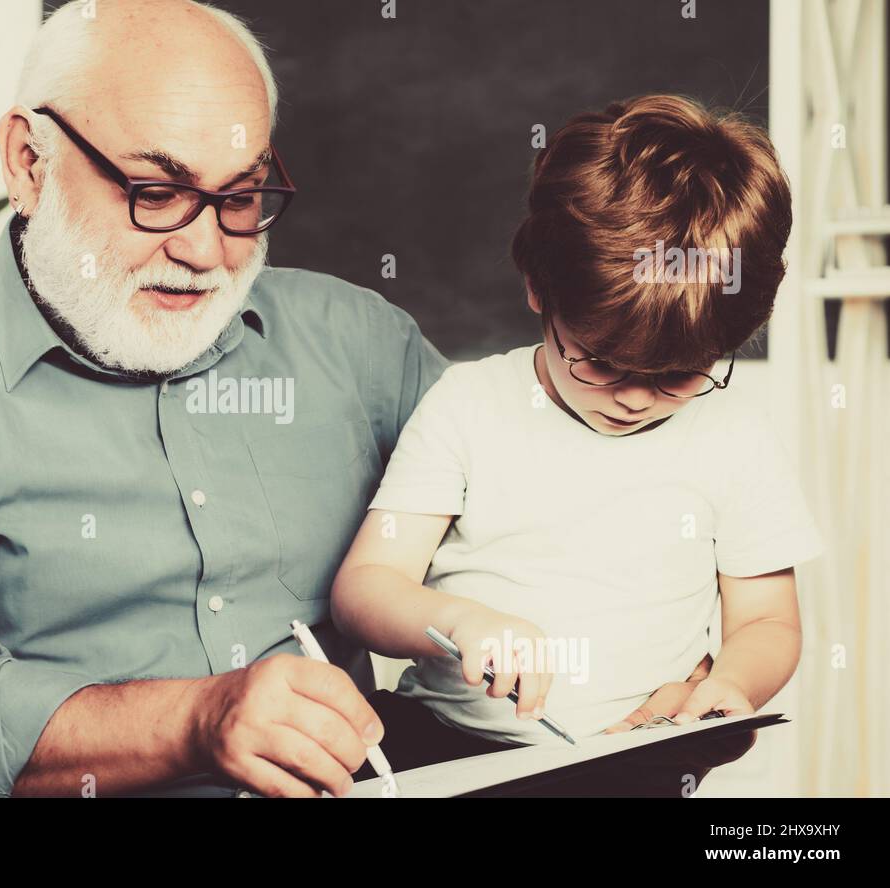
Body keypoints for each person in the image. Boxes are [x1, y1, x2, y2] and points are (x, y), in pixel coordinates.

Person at [0, 0, 447, 798]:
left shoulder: (359, 341)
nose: (205, 250)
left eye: (241, 197)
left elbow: (537, 511)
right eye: (155, 191)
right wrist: (196, 721)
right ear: (28, 163)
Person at [332, 94, 823, 795]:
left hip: (630, 757)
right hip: (444, 746)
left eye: (680, 375)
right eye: (599, 363)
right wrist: (457, 620)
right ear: (539, 288)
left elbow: (769, 621)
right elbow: (364, 589)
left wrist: (730, 688)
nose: (632, 396)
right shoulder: (470, 404)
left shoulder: (737, 436)